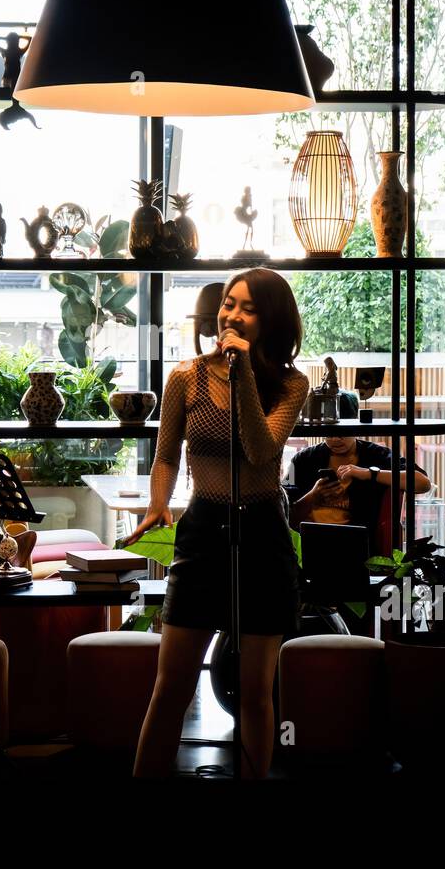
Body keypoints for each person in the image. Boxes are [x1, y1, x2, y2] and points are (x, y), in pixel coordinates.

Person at [127, 267, 310, 779]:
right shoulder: (185, 377)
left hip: (262, 534)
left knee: (254, 693)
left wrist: (245, 372)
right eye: (229, 303)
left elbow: (259, 448)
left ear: (270, 319)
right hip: (205, 529)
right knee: (171, 687)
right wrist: (159, 503)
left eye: (247, 307)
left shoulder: (292, 384)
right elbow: (165, 457)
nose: (232, 314)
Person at [286, 435, 432, 535]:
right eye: (329, 434)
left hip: (358, 539)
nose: (336, 439)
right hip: (308, 538)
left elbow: (423, 483)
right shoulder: (303, 459)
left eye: (343, 433)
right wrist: (312, 497)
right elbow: (284, 513)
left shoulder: (376, 455)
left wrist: (370, 474)